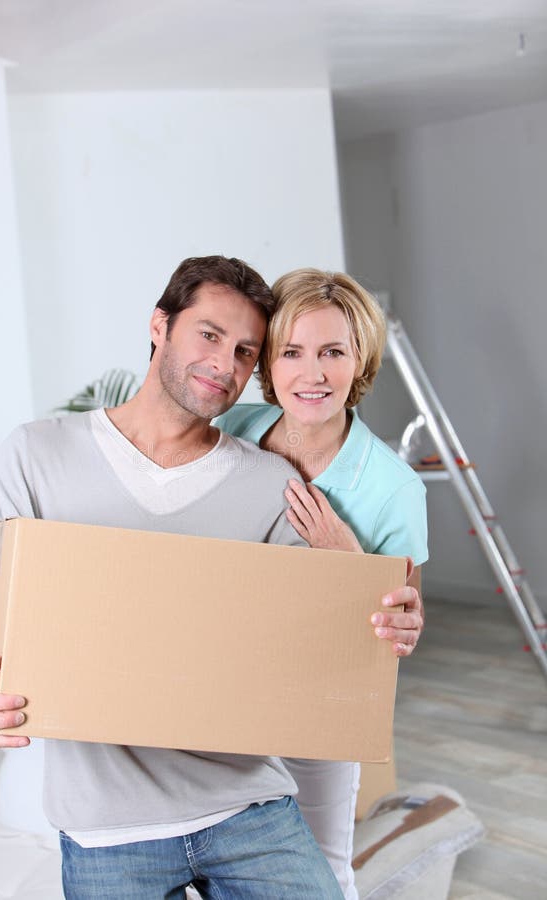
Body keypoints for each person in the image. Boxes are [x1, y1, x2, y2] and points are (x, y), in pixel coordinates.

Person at [0, 255, 420, 900]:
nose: (225, 364)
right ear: (159, 326)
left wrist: (393, 609)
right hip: (105, 825)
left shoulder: (271, 482)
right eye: (209, 335)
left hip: (248, 805)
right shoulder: (39, 452)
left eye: (247, 350)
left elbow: (330, 633)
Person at [217, 267, 428, 899]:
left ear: (358, 359)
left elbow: (402, 624)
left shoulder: (395, 488)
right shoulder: (230, 433)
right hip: (229, 683)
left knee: (322, 865)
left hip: (323, 701)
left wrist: (350, 560)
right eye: (293, 352)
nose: (313, 374)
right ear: (268, 363)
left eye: (332, 351)